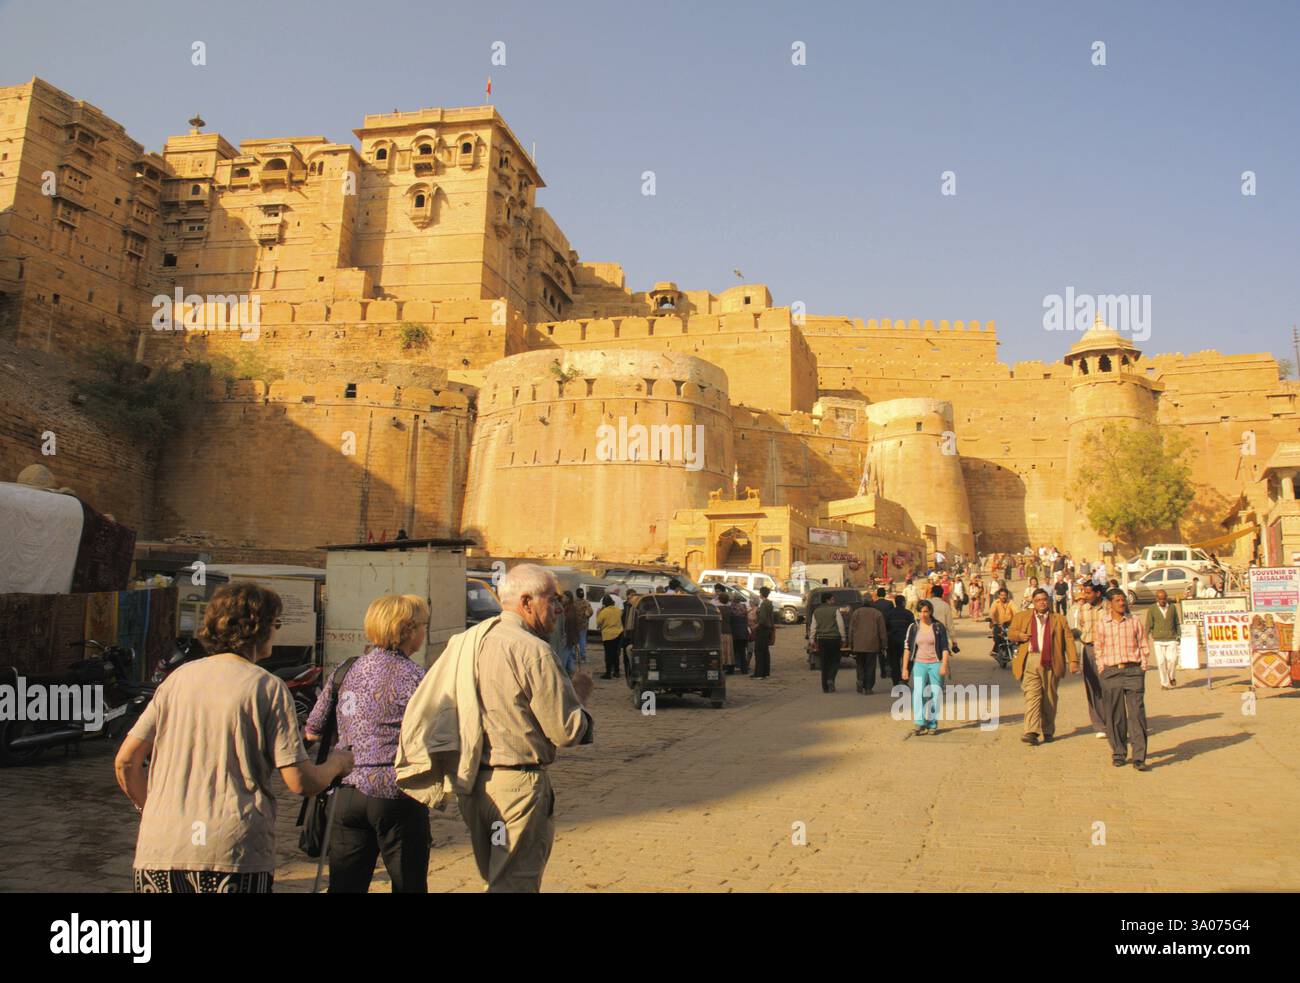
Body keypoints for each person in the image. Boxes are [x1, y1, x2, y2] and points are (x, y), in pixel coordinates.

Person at [114, 583, 354, 893]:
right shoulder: (266, 687)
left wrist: (151, 810)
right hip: (231, 852)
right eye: (275, 623)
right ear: (259, 627)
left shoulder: (176, 681)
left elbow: (126, 762)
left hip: (160, 849)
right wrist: (336, 764)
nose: (276, 632)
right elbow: (300, 781)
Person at [455, 565, 594, 890]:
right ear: (527, 602)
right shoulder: (534, 651)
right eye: (552, 600)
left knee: (497, 879)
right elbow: (566, 730)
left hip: (474, 785)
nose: (558, 608)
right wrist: (579, 696)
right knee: (514, 884)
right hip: (516, 789)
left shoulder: (470, 641)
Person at [304, 594, 430, 893]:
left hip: (347, 792)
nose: (424, 633)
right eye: (422, 626)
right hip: (397, 793)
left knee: (346, 886)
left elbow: (313, 730)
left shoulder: (345, 670)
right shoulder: (418, 678)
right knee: (409, 884)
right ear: (409, 630)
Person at [1007, 587, 1079, 746]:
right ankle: (1031, 731)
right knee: (1032, 696)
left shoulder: (1059, 619)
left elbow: (1068, 640)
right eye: (1038, 600)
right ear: (1033, 602)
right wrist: (1019, 635)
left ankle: (1048, 730)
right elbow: (1010, 632)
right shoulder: (1022, 617)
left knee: (1049, 698)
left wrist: (1073, 661)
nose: (1042, 603)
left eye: (1044, 600)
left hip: (1051, 661)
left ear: (1049, 601)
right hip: (1030, 659)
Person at [1094, 588, 1152, 770]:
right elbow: (1098, 648)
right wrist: (1102, 668)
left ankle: (1139, 757)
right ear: (1109, 603)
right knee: (1115, 715)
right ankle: (1119, 752)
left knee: (1137, 715)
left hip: (1133, 671)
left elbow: (1143, 644)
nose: (1121, 603)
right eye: (1117, 600)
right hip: (1111, 672)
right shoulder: (1102, 624)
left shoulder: (1134, 621)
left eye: (1123, 600)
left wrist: (1142, 667)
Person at [902, 600, 951, 735]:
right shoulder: (913, 627)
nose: (923, 614)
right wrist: (905, 668)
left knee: (935, 694)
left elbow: (945, 647)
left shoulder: (938, 627)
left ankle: (932, 723)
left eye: (926, 611)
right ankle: (919, 722)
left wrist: (944, 665)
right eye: (920, 612)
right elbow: (907, 648)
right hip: (919, 664)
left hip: (936, 663)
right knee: (918, 693)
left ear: (930, 612)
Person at [1070, 581, 1108, 739]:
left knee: (1109, 687)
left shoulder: (1109, 607)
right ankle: (1099, 724)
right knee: (1093, 688)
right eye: (1084, 593)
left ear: (1098, 593)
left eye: (1088, 593)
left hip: (1107, 651)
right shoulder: (1083, 609)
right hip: (1089, 650)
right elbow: (1079, 629)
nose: (1085, 596)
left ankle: (1113, 721)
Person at [847, 596, 888, 694]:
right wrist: (884, 644)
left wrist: (850, 643)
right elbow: (882, 631)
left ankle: (860, 679)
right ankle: (868, 688)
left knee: (860, 664)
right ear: (872, 602)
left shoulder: (856, 613)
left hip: (858, 644)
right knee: (870, 666)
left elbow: (851, 629)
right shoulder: (877, 613)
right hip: (872, 645)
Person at [809, 591, 847, 693]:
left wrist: (812, 640)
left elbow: (813, 626)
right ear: (827, 600)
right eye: (832, 599)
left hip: (822, 639)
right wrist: (843, 638)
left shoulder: (816, 611)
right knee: (835, 660)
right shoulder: (835, 610)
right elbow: (841, 625)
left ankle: (825, 687)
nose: (834, 601)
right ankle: (831, 678)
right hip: (834, 639)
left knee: (824, 663)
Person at [1143, 588, 1181, 690]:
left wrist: (1179, 635)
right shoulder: (1152, 609)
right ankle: (1164, 683)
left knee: (1172, 660)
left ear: (1166, 598)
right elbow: (1148, 624)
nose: (1162, 601)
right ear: (1157, 599)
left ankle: (1171, 677)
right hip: (1158, 640)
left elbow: (1176, 622)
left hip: (1171, 638)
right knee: (1161, 662)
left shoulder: (1172, 607)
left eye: (1164, 599)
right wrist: (1145, 637)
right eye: (1160, 599)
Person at [884, 595, 914, 688]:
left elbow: (886, 627)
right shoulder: (908, 613)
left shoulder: (889, 613)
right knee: (908, 661)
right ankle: (904, 679)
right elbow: (913, 628)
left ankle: (896, 681)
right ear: (903, 603)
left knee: (894, 662)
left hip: (892, 641)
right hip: (906, 641)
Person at [595, 594, 623, 679]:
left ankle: (608, 674)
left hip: (608, 635)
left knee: (608, 654)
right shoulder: (618, 610)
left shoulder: (604, 611)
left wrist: (600, 612)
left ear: (604, 603)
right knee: (615, 654)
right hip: (618, 633)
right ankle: (617, 672)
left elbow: (598, 622)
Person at [713, 584, 736, 673]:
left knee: (722, 650)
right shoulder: (729, 608)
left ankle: (722, 666)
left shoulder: (718, 609)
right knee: (729, 650)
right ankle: (730, 667)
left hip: (721, 631)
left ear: (719, 600)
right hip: (729, 630)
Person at [753, 586, 775, 679]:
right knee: (765, 651)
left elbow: (762, 619)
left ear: (761, 594)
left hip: (762, 629)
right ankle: (765, 672)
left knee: (759, 651)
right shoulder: (769, 603)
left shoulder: (763, 604)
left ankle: (759, 673)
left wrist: (756, 626)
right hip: (768, 629)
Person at [989, 587, 1016, 655]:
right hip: (998, 624)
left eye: (1005, 595)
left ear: (1007, 595)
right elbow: (992, 613)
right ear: (999, 595)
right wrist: (992, 620)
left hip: (1009, 624)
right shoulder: (995, 603)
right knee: (998, 637)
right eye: (1002, 595)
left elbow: (1016, 611)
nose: (1003, 597)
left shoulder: (1011, 602)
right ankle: (995, 650)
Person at [729, 593, 751, 674]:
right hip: (743, 632)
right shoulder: (744, 607)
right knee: (742, 651)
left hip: (734, 632)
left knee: (733, 651)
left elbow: (730, 619)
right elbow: (746, 619)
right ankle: (744, 669)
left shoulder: (731, 607)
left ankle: (731, 669)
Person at [574, 588, 593, 668]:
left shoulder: (574, 602)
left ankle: (573, 657)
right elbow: (590, 612)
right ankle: (583, 657)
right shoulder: (586, 603)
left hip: (574, 625)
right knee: (582, 641)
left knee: (574, 641)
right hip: (583, 625)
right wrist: (586, 617)